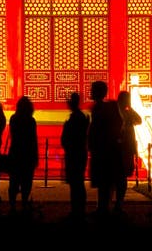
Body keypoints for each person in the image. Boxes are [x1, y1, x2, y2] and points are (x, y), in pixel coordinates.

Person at [87, 80, 123, 217]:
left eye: (92, 90)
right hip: (110, 148)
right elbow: (119, 123)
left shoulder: (98, 108)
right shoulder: (112, 106)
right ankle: (105, 206)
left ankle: (103, 208)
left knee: (103, 181)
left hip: (102, 149)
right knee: (107, 180)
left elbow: (95, 129)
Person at [61, 91, 90, 219]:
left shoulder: (74, 118)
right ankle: (80, 209)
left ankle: (76, 210)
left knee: (75, 183)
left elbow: (68, 138)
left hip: (74, 153)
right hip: (80, 152)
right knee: (79, 182)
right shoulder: (82, 117)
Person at [7, 95, 39, 212]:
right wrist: (36, 156)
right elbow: (33, 140)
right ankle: (24, 203)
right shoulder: (31, 121)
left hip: (15, 152)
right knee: (26, 180)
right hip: (28, 155)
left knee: (14, 180)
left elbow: (13, 136)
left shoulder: (13, 119)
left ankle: (12, 205)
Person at [116, 89, 142, 212]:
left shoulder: (128, 113)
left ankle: (119, 203)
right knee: (118, 177)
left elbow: (139, 120)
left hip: (126, 149)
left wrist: (130, 109)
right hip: (118, 148)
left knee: (122, 177)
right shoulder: (116, 113)